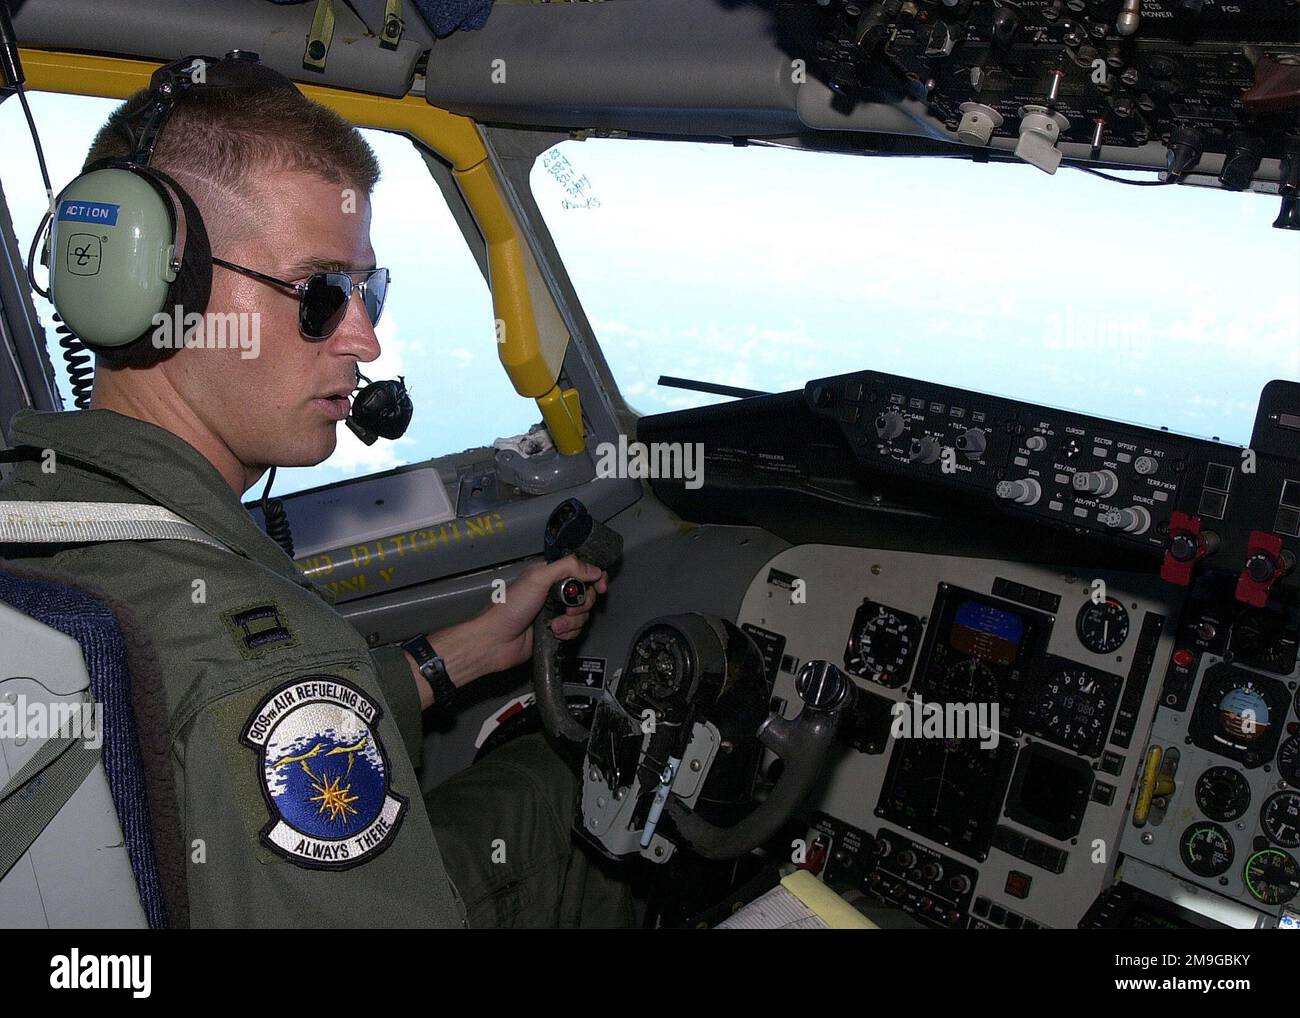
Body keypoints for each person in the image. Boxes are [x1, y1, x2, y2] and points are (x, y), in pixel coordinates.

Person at [0, 63, 632, 928]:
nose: (365, 338)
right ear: (159, 290)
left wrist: (459, 657)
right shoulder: (257, 663)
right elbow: (242, 697)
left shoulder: (39, 506)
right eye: (322, 293)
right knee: (562, 792)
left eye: (367, 291)